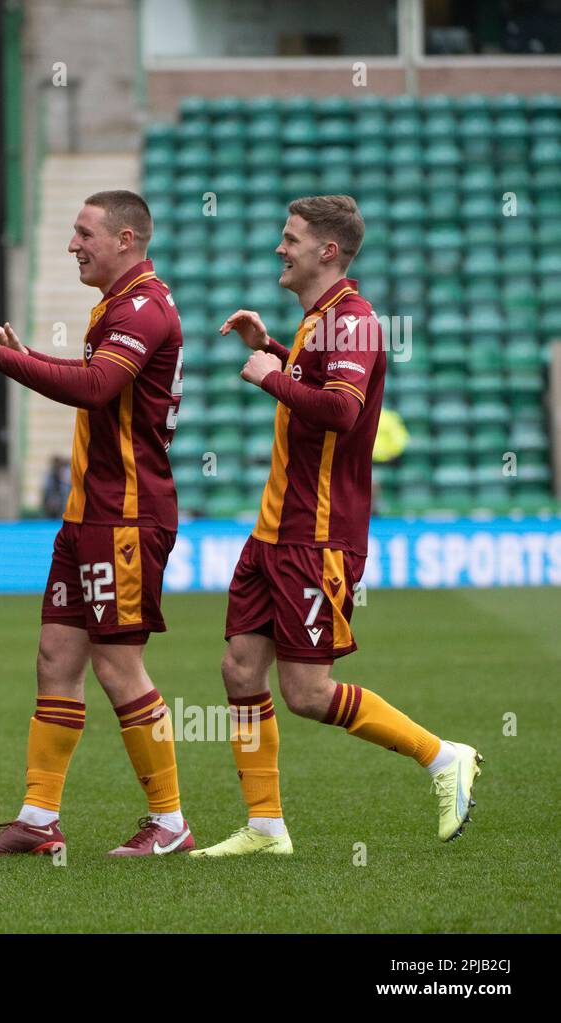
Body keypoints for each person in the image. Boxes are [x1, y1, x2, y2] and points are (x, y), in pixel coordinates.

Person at [193, 195, 481, 858]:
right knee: (240, 667)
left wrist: (269, 375)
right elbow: (314, 384)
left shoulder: (353, 322)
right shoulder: (317, 319)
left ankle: (443, 756)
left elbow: (343, 412)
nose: (278, 248)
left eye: (290, 238)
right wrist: (268, 345)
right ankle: (264, 827)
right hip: (273, 531)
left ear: (327, 251)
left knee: (307, 691)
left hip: (317, 536)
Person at [0, 190, 193, 858]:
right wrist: (22, 353)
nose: (73, 244)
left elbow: (93, 388)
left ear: (127, 237)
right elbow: (92, 381)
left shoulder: (142, 308)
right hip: (90, 513)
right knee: (56, 658)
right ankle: (38, 817)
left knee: (119, 667)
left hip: (127, 517)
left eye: (84, 233)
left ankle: (169, 821)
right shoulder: (119, 305)